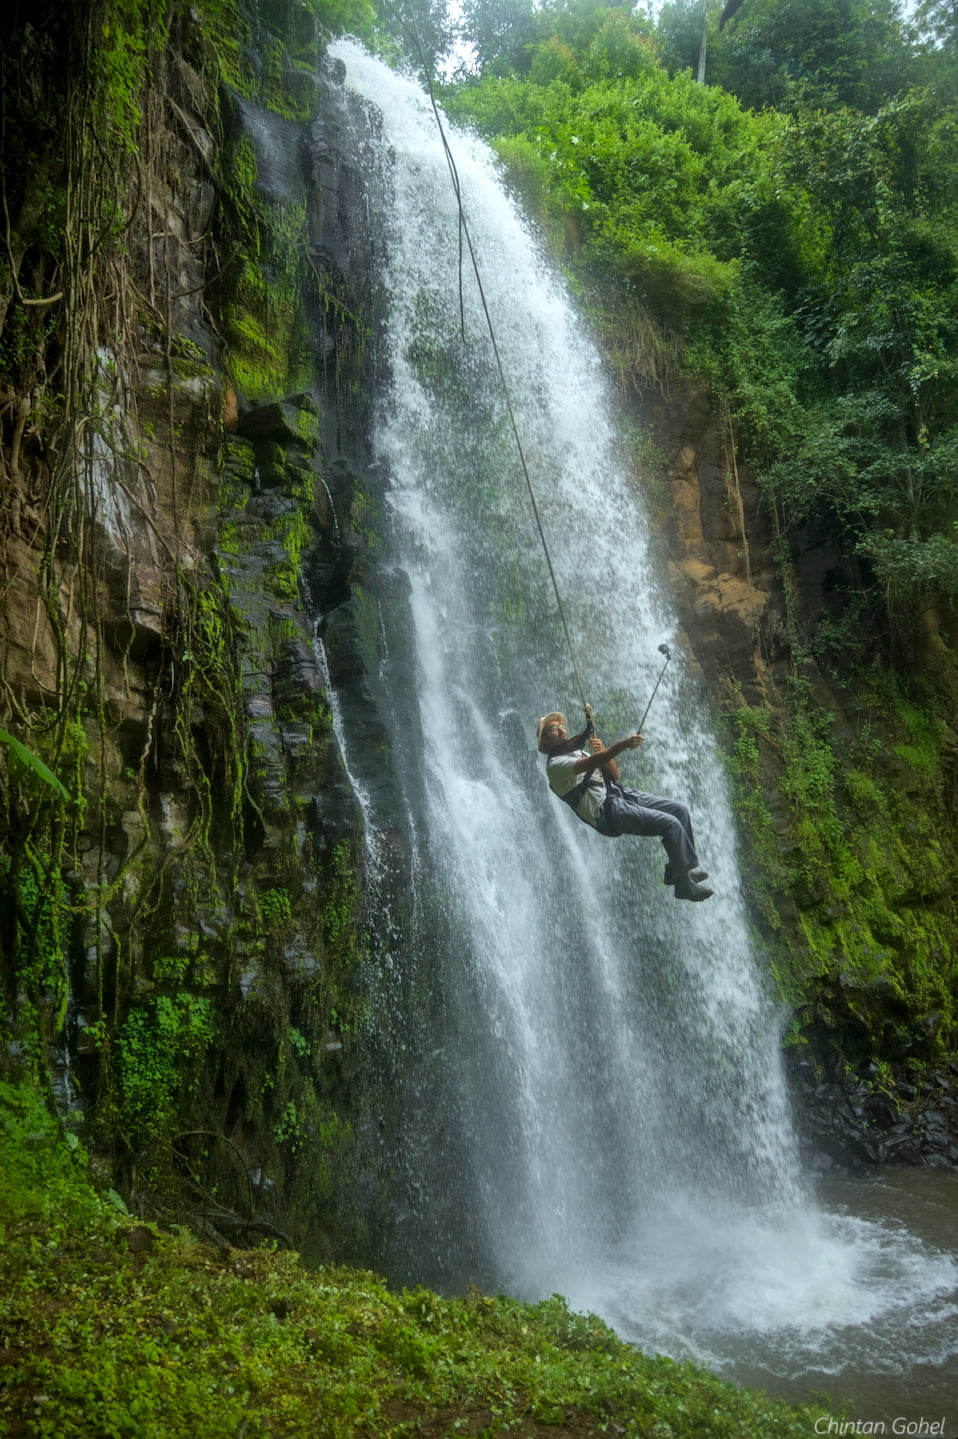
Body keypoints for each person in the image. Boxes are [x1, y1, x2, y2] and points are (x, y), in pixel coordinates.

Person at [536, 711, 713, 902]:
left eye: (561, 726)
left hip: (620, 794)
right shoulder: (555, 766)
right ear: (544, 740)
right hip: (607, 811)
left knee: (680, 810)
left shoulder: (579, 751)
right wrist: (624, 744)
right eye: (553, 728)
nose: (561, 730)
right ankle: (684, 887)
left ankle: (677, 871)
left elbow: (615, 774)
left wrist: (602, 749)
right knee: (670, 824)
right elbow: (595, 761)